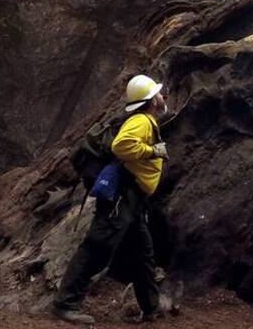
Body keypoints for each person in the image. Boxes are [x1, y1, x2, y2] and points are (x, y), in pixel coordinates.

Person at [53, 74, 169, 325]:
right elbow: (122, 146)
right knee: (97, 246)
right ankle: (65, 304)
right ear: (151, 100)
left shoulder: (146, 120)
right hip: (122, 197)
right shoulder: (141, 121)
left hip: (134, 200)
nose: (162, 96)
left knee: (143, 255)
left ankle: (151, 309)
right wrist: (152, 151)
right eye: (158, 93)